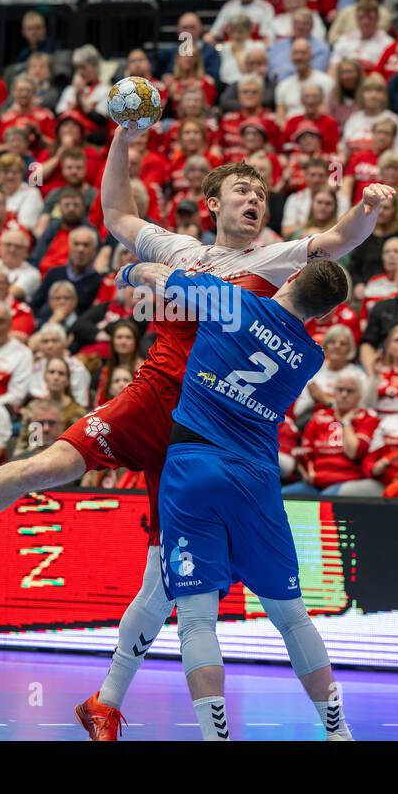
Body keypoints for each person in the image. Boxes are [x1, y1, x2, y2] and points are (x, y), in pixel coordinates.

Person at [0, 130, 389, 741]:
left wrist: (369, 205)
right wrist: (122, 137)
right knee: (43, 466)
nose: (255, 201)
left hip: (205, 433)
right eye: (242, 191)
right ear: (212, 203)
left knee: (164, 582)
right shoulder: (179, 248)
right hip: (152, 398)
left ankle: (108, 701)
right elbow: (115, 211)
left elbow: (340, 242)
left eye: (261, 195)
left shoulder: (274, 261)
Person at [120, 256, 354, 740]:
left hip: (193, 466)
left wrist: (129, 271)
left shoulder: (231, 301)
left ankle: (215, 736)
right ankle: (337, 732)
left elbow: (161, 280)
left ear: (290, 277)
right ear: (324, 316)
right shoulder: (311, 356)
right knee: (291, 615)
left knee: (197, 617)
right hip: (255, 478)